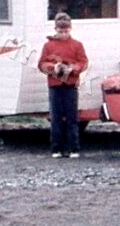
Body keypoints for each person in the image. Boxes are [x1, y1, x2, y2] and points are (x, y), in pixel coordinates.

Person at [37, 13, 88, 158]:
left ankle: (74, 148)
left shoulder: (77, 45)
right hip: (54, 85)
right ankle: (56, 148)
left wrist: (73, 69)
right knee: (56, 118)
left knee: (72, 118)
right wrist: (54, 68)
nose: (63, 34)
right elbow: (41, 64)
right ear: (55, 29)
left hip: (71, 85)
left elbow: (83, 62)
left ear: (70, 29)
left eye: (66, 31)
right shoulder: (48, 46)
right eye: (60, 31)